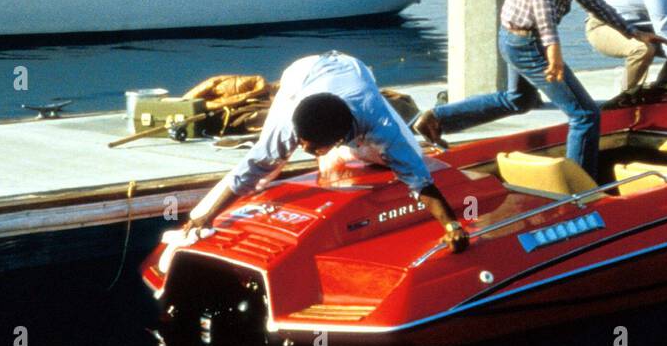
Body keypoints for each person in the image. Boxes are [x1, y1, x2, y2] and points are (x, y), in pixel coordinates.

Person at [411, 0, 664, 178]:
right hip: (528, 41)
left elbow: (592, 0)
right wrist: (552, 46)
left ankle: (436, 118)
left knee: (518, 99)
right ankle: (578, 190)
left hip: (512, 36)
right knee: (585, 115)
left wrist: (633, 32)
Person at [183, 51, 468, 253]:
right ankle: (200, 217)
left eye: (310, 147)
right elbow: (253, 165)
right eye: (302, 142)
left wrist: (451, 225)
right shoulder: (290, 124)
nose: (302, 148)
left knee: (409, 156)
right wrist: (207, 215)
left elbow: (420, 182)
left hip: (355, 72)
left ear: (337, 139)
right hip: (303, 75)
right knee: (268, 162)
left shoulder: (381, 127)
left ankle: (395, 129)